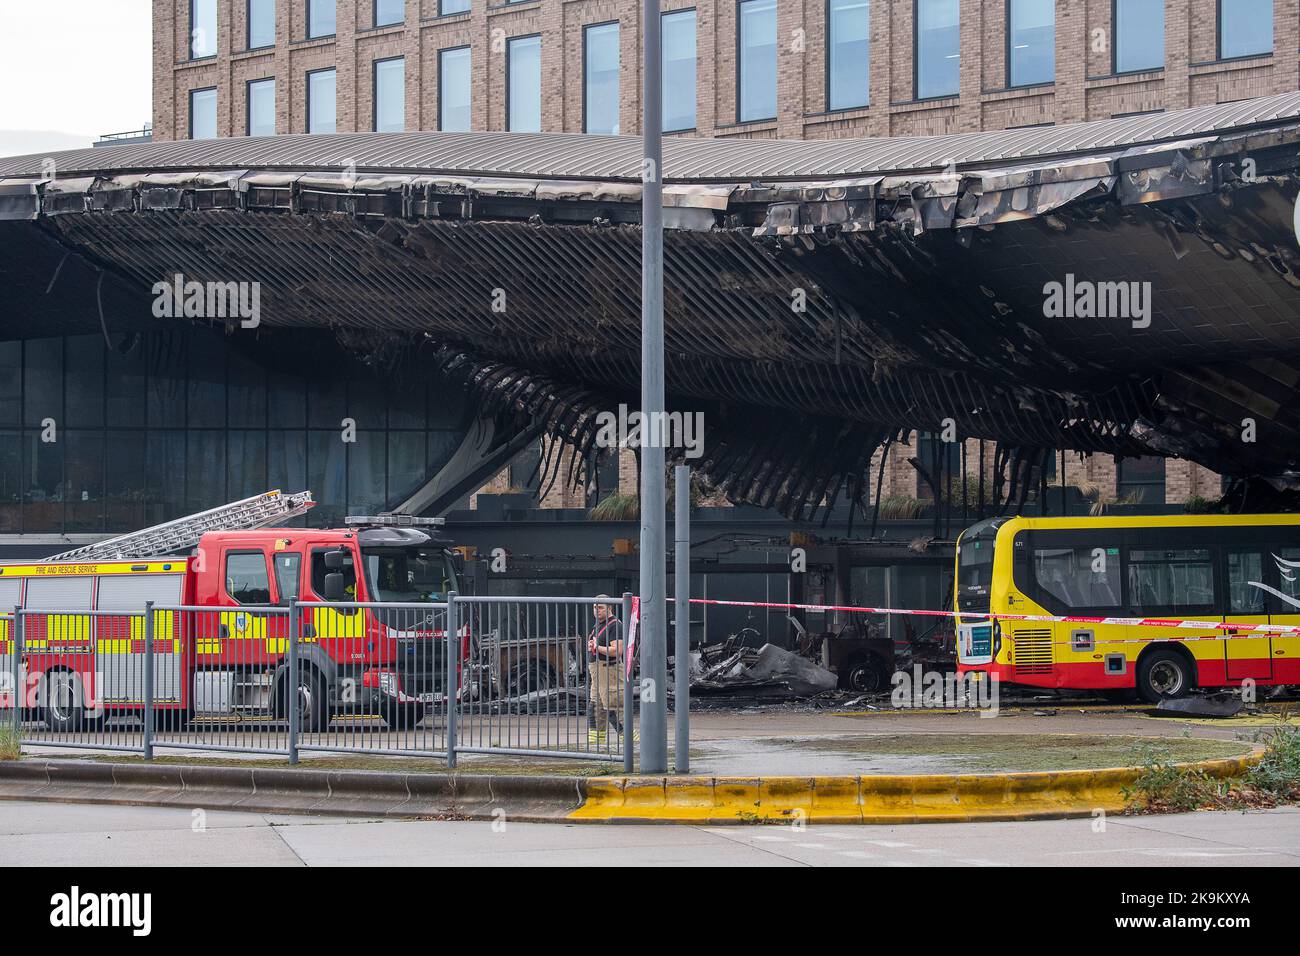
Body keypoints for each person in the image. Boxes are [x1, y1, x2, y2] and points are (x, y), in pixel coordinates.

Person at [586, 596, 624, 744]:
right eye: (595, 608)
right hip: (598, 671)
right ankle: (596, 744)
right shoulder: (598, 626)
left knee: (613, 708)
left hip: (609, 670)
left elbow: (617, 651)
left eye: (600, 607)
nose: (597, 610)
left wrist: (597, 648)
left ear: (609, 608)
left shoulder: (615, 625)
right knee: (595, 709)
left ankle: (632, 742)